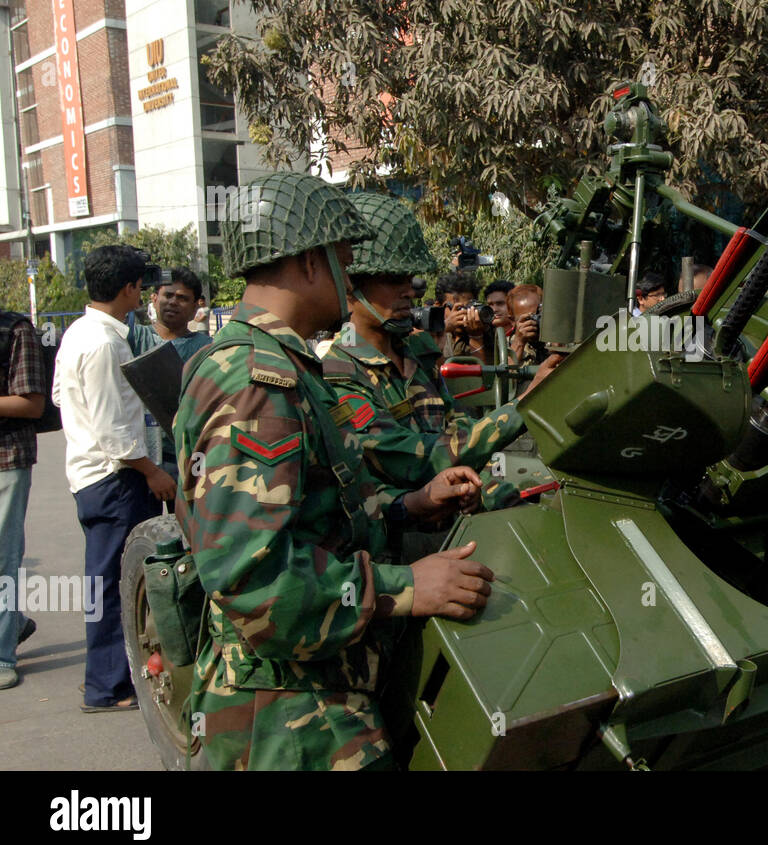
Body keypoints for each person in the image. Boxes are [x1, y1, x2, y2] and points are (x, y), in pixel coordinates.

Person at [173, 172, 493, 770]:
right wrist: (406, 588)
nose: (351, 281)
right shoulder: (256, 381)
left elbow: (315, 514)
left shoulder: (279, 366)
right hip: (285, 720)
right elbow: (250, 577)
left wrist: (410, 504)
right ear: (310, 262)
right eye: (345, 262)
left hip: (316, 695)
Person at [322, 193, 550, 514]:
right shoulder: (338, 373)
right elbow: (416, 460)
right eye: (391, 280)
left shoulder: (416, 349)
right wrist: (527, 403)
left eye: (409, 279)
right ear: (350, 286)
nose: (408, 291)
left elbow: (455, 420)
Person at [53, 245, 174, 713]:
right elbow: (113, 429)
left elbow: (63, 398)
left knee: (104, 582)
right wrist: (150, 470)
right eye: (141, 285)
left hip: (90, 475)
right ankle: (108, 685)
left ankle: (106, 678)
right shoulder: (105, 341)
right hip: (115, 478)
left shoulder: (78, 332)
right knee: (114, 584)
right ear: (129, 288)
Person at [127, 266, 213, 498]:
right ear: (154, 299)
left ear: (197, 306)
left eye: (183, 298)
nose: (173, 302)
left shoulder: (206, 348)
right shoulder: (133, 337)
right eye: (168, 295)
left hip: (188, 458)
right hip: (142, 460)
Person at [0, 309, 45, 690]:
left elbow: (32, 404)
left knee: (3, 558)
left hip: (6, 459)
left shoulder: (15, 331)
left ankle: (1, 656)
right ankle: (12, 623)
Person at [440, 270, 494, 362]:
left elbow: (483, 374)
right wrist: (443, 328)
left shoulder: (489, 336)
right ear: (442, 307)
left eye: (466, 308)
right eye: (457, 308)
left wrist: (476, 337)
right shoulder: (437, 336)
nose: (461, 314)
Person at [507, 283, 547, 367]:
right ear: (513, 321)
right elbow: (504, 376)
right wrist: (519, 342)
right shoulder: (504, 346)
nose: (536, 321)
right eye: (529, 318)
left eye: (539, 315)